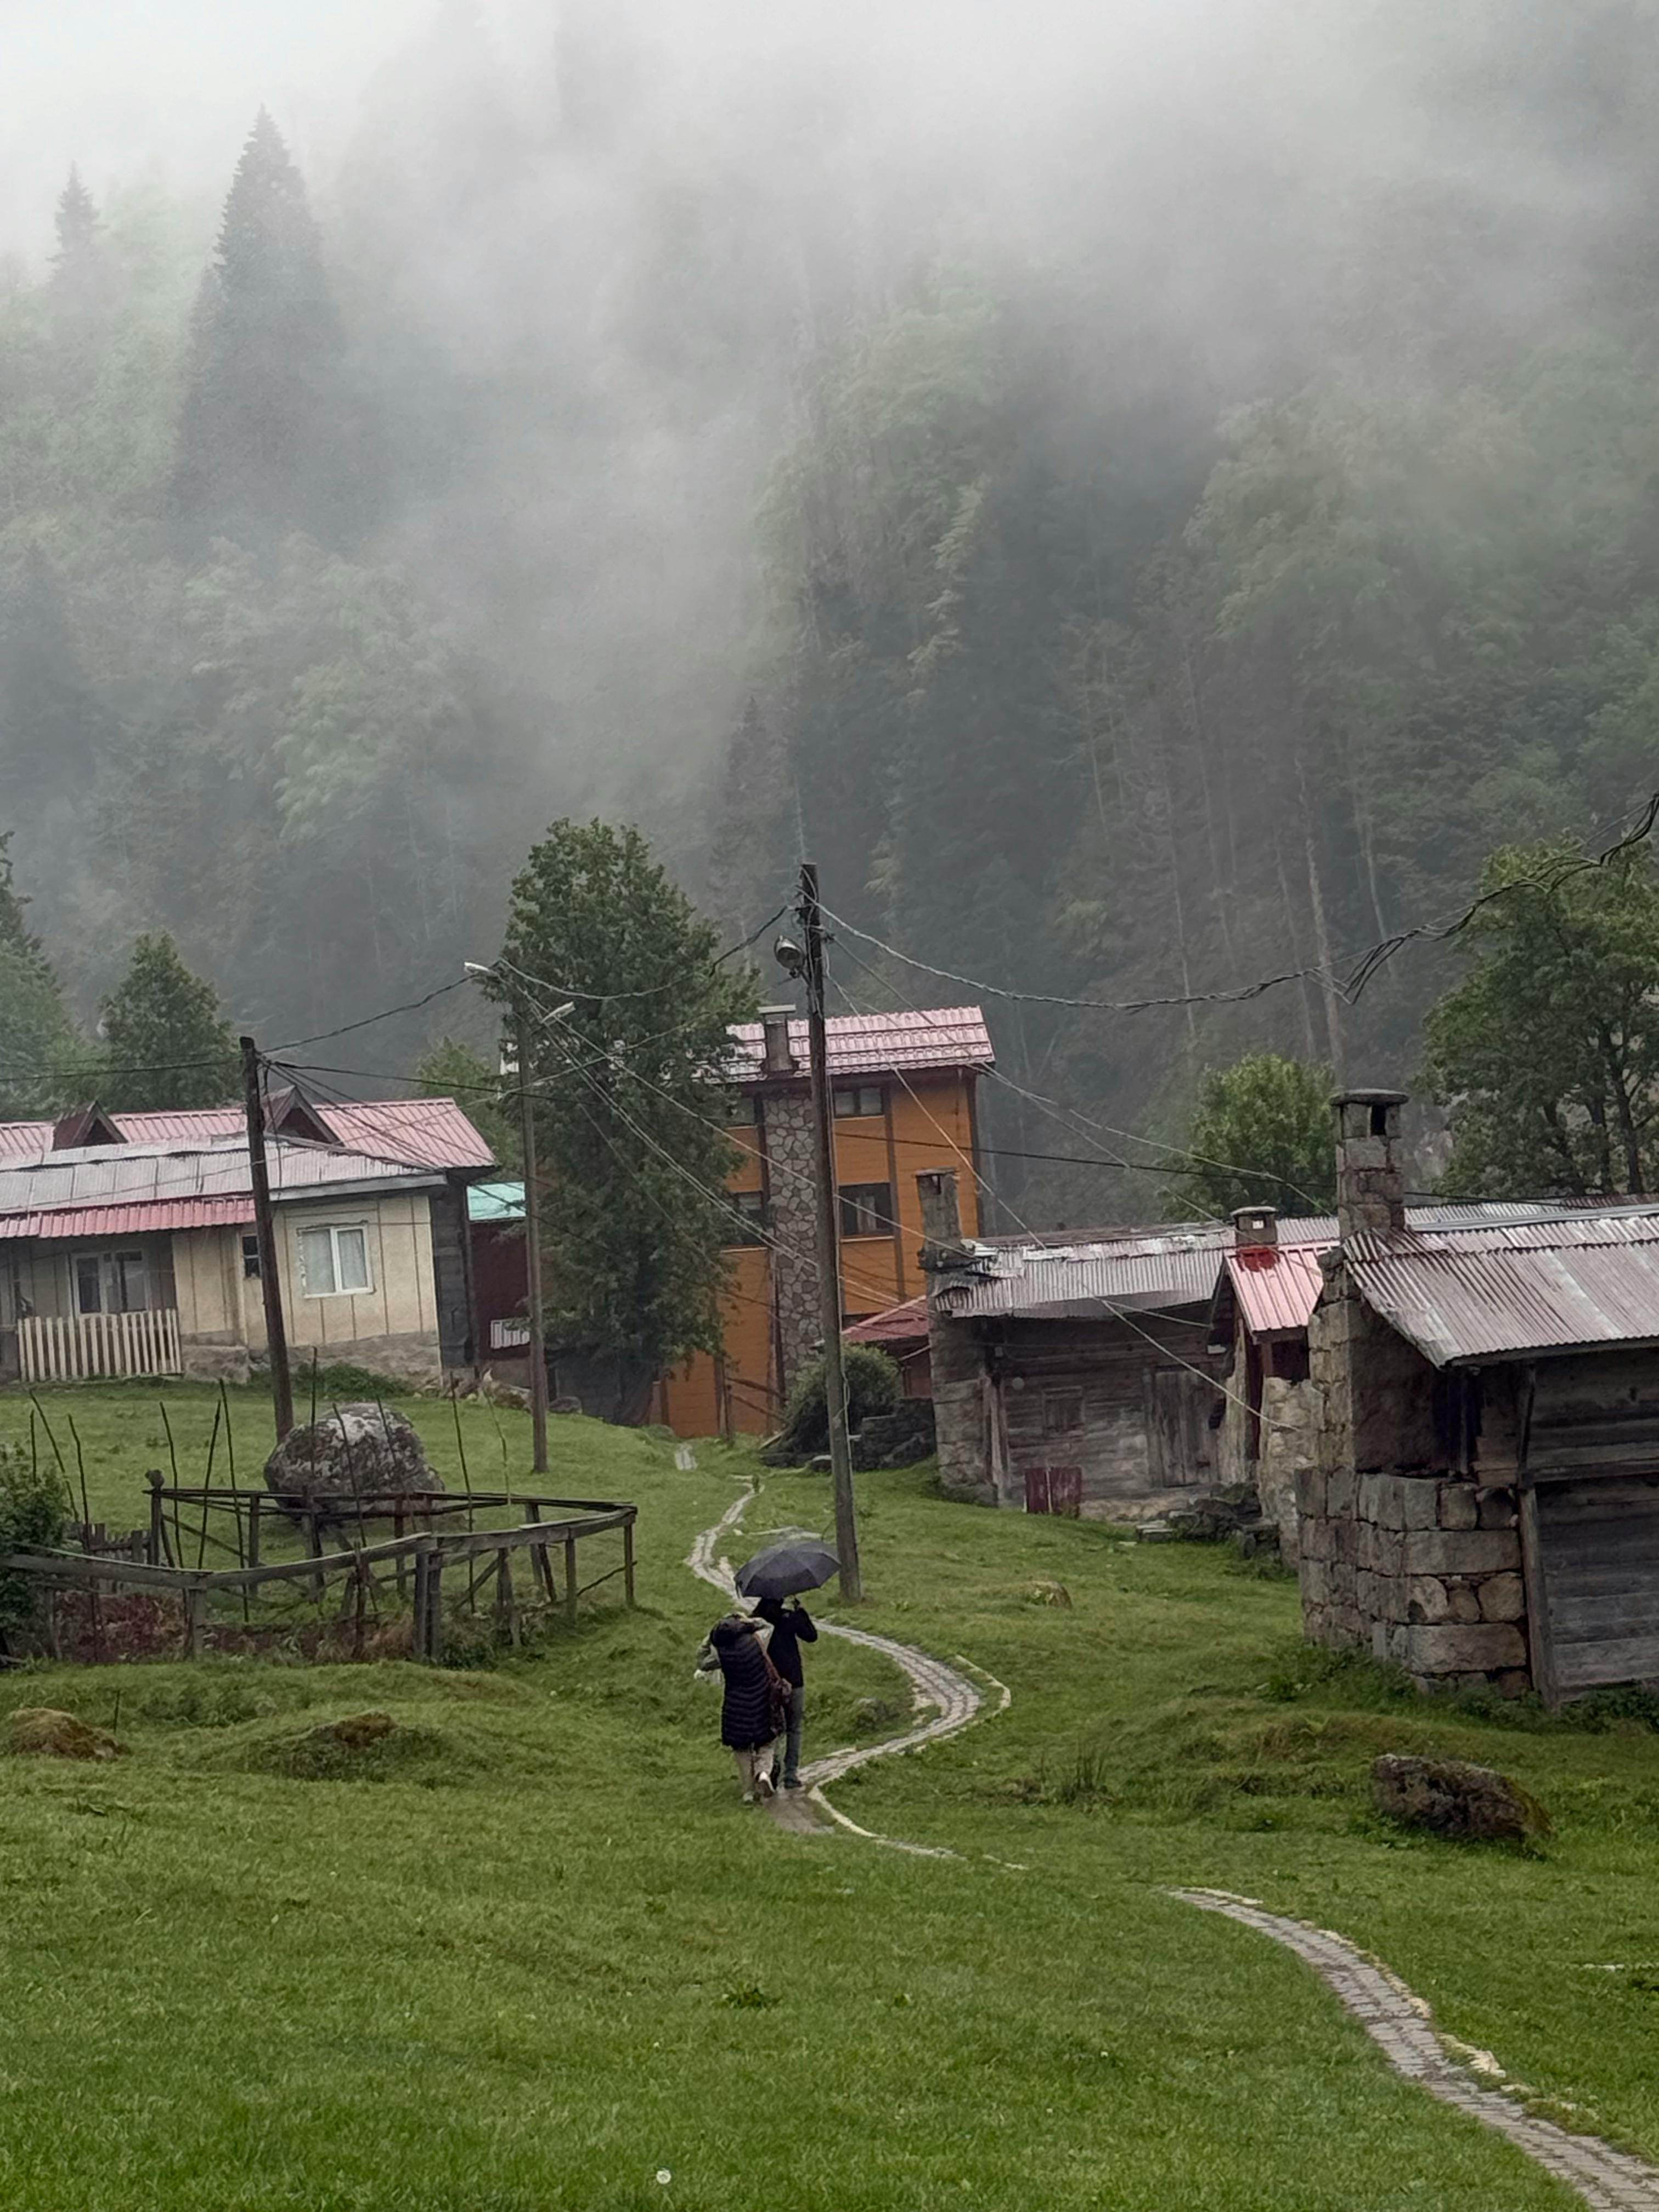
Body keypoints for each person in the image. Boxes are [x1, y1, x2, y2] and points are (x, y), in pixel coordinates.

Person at [699, 1610, 784, 1801]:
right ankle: (763, 1773)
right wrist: (749, 1621)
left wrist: (710, 1638)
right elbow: (768, 1625)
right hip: (763, 1700)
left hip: (735, 1705)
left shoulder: (721, 1652)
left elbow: (702, 1661)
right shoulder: (756, 1639)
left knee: (741, 1748)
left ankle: (748, 1793)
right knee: (767, 1741)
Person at [754, 1595, 816, 1791]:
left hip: (768, 1684)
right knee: (794, 1728)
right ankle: (791, 1775)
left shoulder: (757, 1622)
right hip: (794, 1681)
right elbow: (811, 1636)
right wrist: (801, 1612)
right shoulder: (789, 1618)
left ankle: (771, 1772)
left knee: (772, 1730)